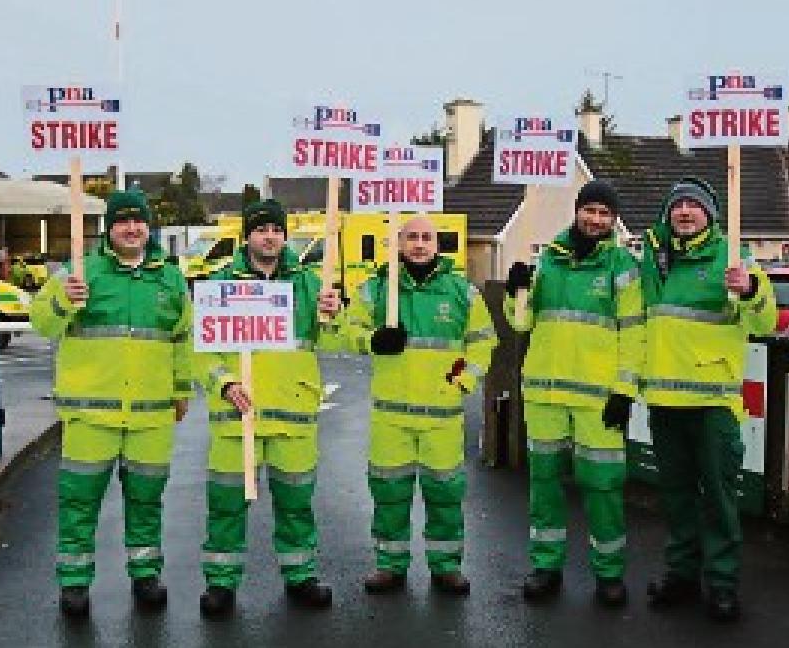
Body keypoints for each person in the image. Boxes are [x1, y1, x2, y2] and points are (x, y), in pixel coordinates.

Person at [30, 188, 194, 619]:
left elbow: (181, 339)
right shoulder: (81, 271)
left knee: (146, 498)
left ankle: (145, 574)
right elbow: (41, 321)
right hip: (91, 415)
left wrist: (182, 391)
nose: (132, 228)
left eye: (138, 220)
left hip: (151, 416)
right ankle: (74, 583)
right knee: (79, 501)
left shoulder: (170, 278)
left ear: (148, 227)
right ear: (109, 230)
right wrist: (66, 298)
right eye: (122, 221)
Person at [196, 199, 344, 618]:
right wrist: (224, 382)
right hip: (235, 418)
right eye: (261, 230)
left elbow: (335, 344)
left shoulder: (310, 283)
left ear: (284, 235)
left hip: (293, 416)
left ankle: (300, 578)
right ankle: (221, 585)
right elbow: (201, 353)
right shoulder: (222, 283)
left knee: (297, 502)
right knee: (226, 504)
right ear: (247, 236)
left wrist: (334, 318)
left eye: (276, 230)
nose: (270, 237)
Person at [638, 177, 777, 622]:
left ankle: (721, 583)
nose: (684, 211)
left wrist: (751, 290)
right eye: (677, 204)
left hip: (714, 404)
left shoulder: (733, 259)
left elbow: (766, 322)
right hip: (663, 401)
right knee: (676, 497)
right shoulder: (652, 259)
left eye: (694, 206)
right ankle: (681, 574)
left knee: (718, 499)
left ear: (711, 214)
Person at [506, 181, 644, 608]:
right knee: (544, 485)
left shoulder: (623, 266)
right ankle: (546, 567)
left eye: (605, 213)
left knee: (603, 486)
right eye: (590, 210)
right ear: (578, 211)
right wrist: (517, 291)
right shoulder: (546, 260)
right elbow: (521, 324)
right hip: (545, 393)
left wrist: (624, 391)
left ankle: (609, 574)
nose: (596, 220)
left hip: (598, 400)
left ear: (614, 220)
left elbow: (634, 333)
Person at [343, 215, 496, 596]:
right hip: (391, 418)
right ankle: (390, 565)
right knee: (389, 495)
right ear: (398, 243)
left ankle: (446, 567)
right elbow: (346, 329)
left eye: (427, 237)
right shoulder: (379, 289)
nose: (419, 244)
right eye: (412, 237)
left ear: (437, 245)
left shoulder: (461, 291)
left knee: (445, 496)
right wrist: (374, 341)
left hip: (442, 418)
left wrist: (462, 378)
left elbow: (482, 342)